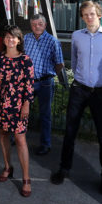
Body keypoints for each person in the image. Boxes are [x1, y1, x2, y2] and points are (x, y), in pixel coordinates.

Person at [51, 1, 102, 195]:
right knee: (70, 131)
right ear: (82, 17)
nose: (89, 17)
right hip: (79, 89)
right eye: (85, 15)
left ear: (99, 15)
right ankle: (64, 168)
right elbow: (74, 60)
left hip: (101, 92)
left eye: (92, 14)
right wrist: (80, 77)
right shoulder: (76, 36)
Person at [0, 25, 35, 197]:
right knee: (3, 134)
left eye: (13, 37)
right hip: (0, 102)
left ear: (19, 40)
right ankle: (8, 167)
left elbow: (29, 85)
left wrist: (26, 104)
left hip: (18, 105)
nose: (10, 40)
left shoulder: (26, 60)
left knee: (20, 139)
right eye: (7, 37)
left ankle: (26, 178)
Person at [23, 14, 65, 156]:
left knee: (45, 115)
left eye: (40, 24)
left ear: (45, 25)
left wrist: (50, 75)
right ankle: (18, 137)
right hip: (28, 82)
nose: (37, 27)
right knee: (22, 110)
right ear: (31, 26)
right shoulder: (26, 38)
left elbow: (59, 63)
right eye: (34, 24)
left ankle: (45, 144)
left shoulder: (53, 41)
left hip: (45, 83)